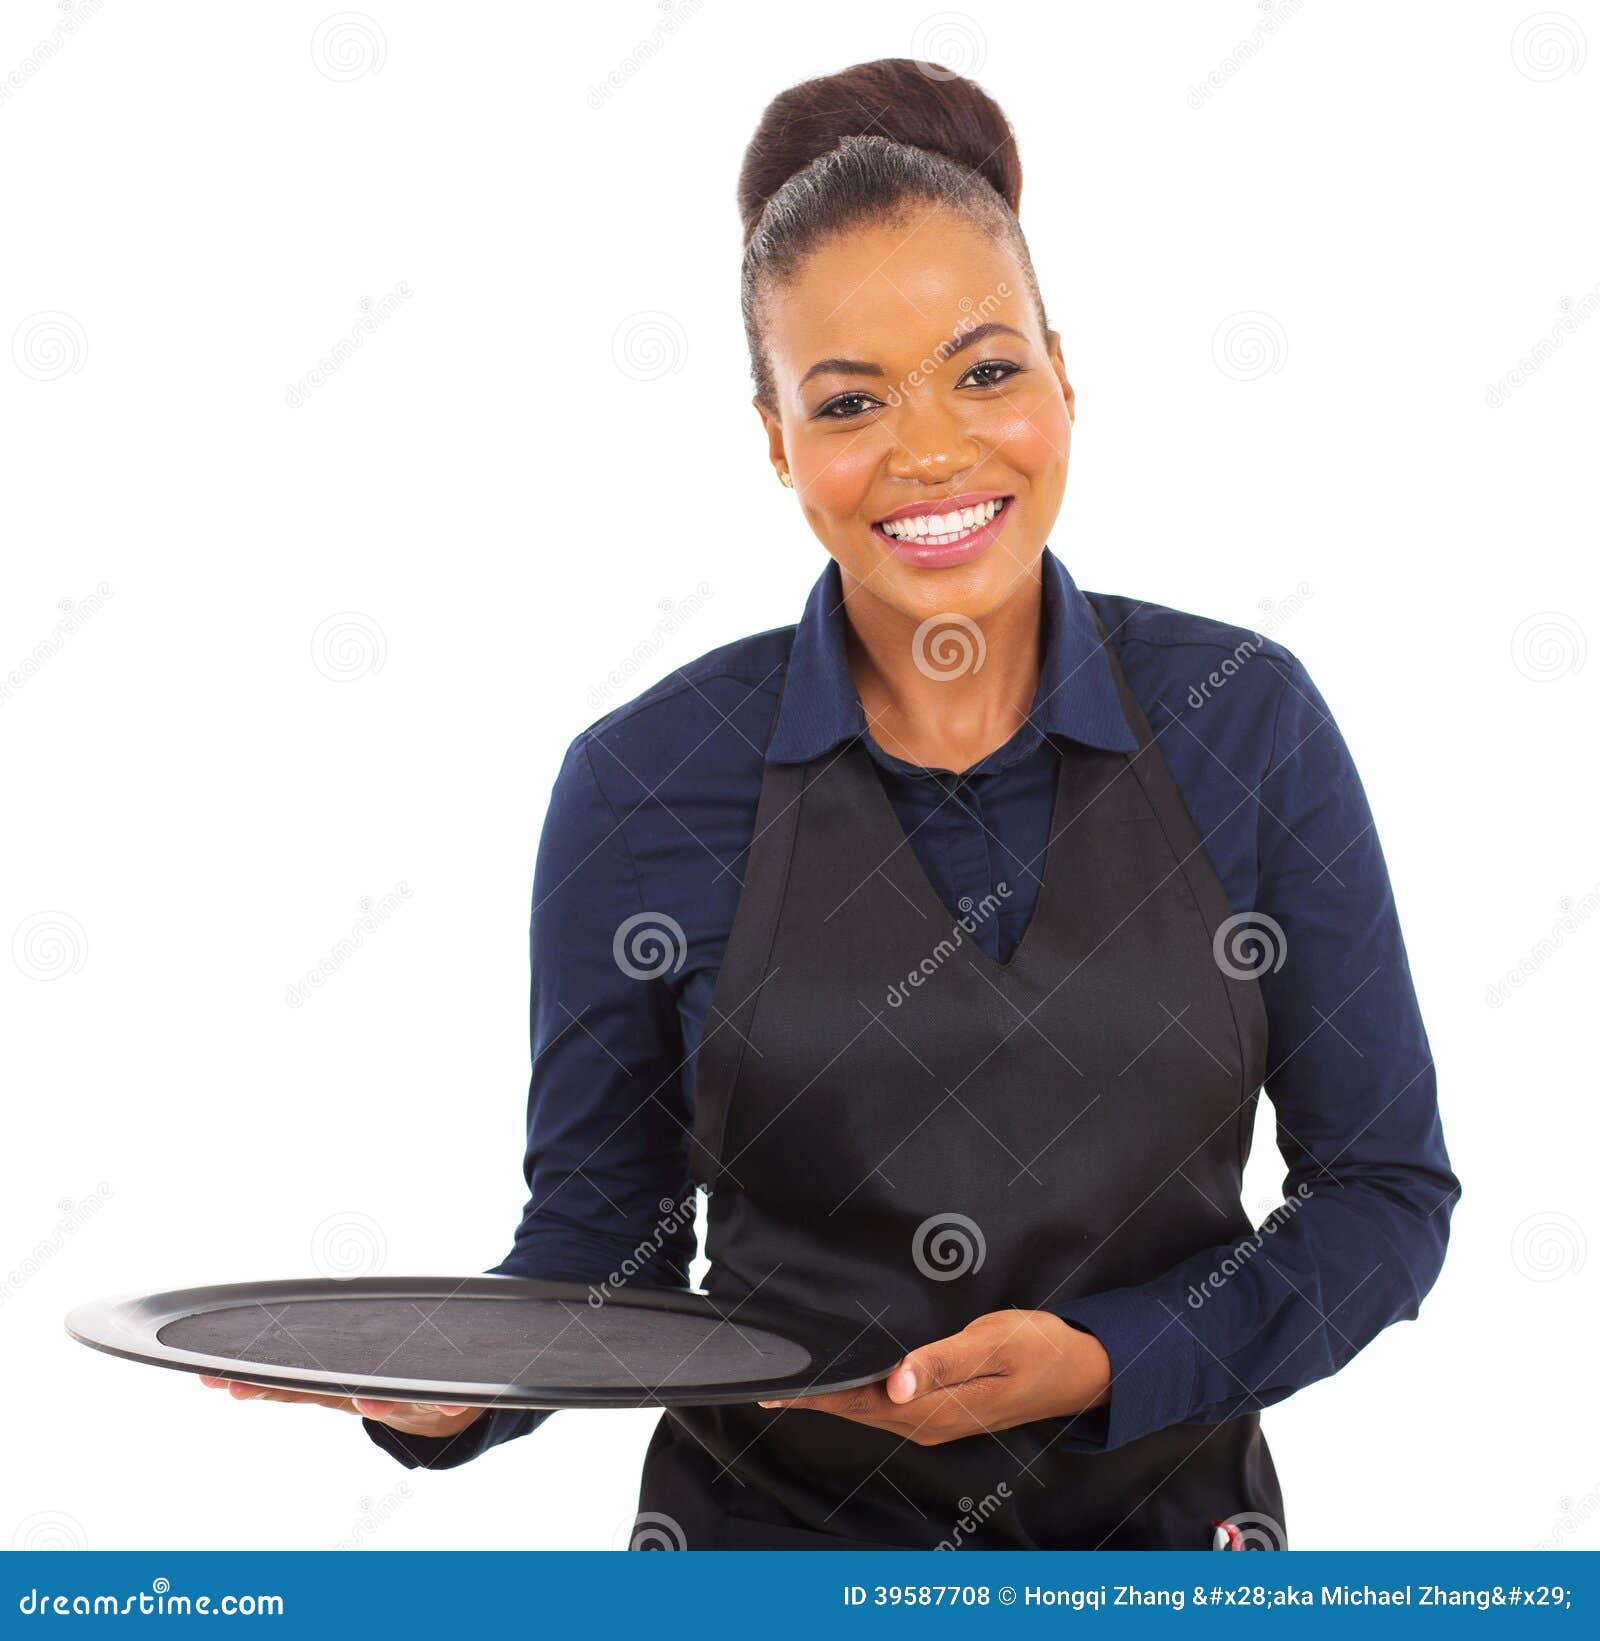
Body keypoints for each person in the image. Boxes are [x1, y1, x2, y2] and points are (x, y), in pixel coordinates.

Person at [204, 57, 1459, 1551]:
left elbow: (1382, 1196)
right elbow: (607, 1247)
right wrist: (454, 1393)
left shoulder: (1244, 723)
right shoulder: (645, 783)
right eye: (852, 400)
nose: (932, 450)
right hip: (757, 1565)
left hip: (1168, 1565)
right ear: (776, 438)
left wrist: (1114, 1355)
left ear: (1066, 373)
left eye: (987, 370)